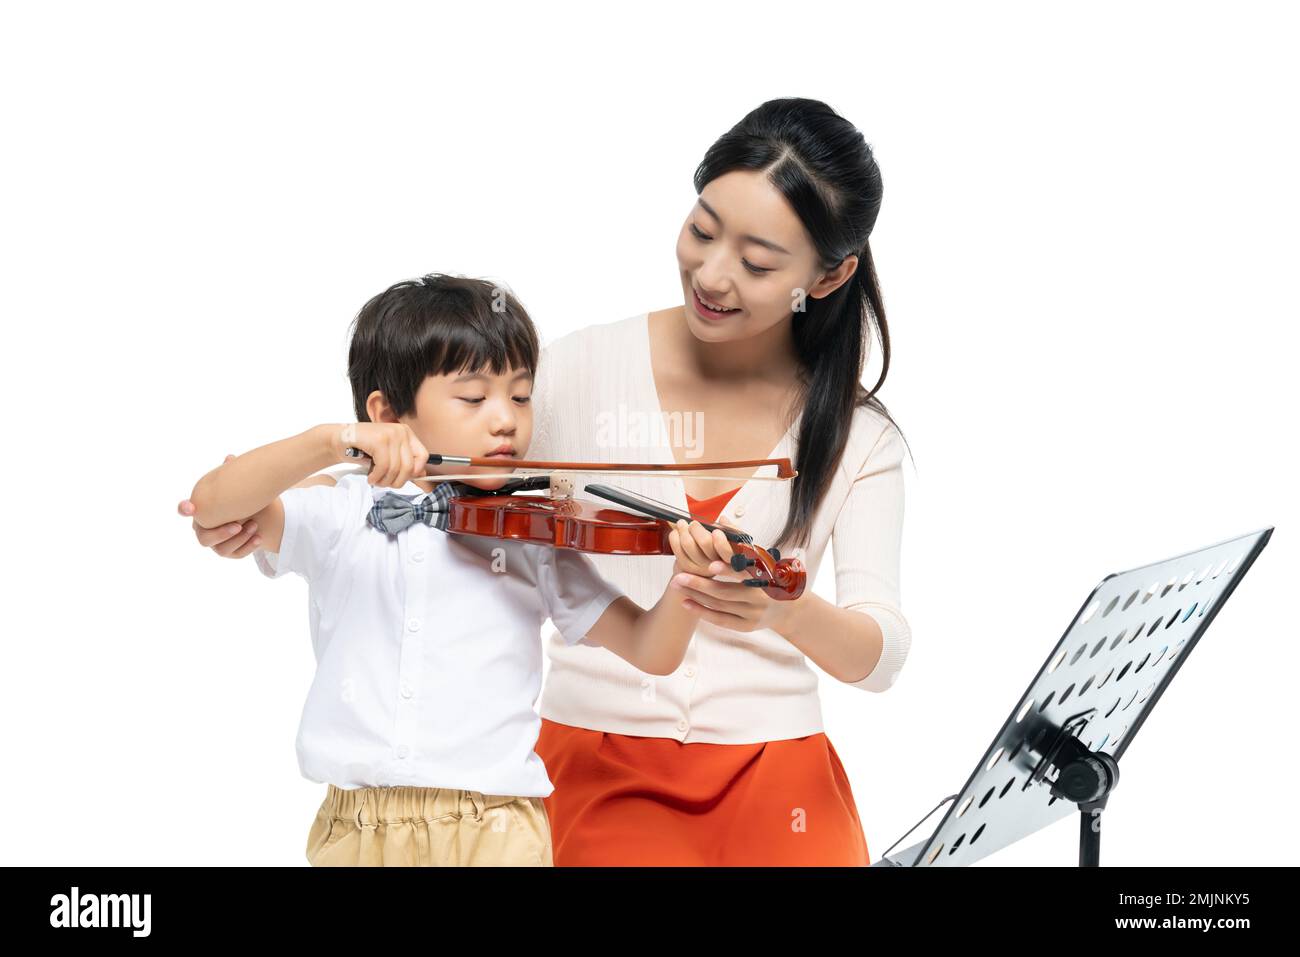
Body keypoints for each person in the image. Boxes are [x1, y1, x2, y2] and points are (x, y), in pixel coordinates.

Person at [180, 97, 914, 867]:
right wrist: (315, 480)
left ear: (829, 275)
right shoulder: (564, 371)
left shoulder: (863, 436)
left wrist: (781, 611)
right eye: (702, 229)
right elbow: (446, 462)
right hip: (596, 758)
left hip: (778, 767)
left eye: (758, 262)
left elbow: (883, 652)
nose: (712, 272)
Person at [186, 274, 724, 866]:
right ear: (386, 414)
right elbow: (213, 502)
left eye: (520, 396)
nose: (507, 421)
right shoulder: (338, 510)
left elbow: (652, 650)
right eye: (475, 398)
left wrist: (690, 579)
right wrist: (328, 442)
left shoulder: (532, 534)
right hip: (356, 829)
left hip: (493, 830)